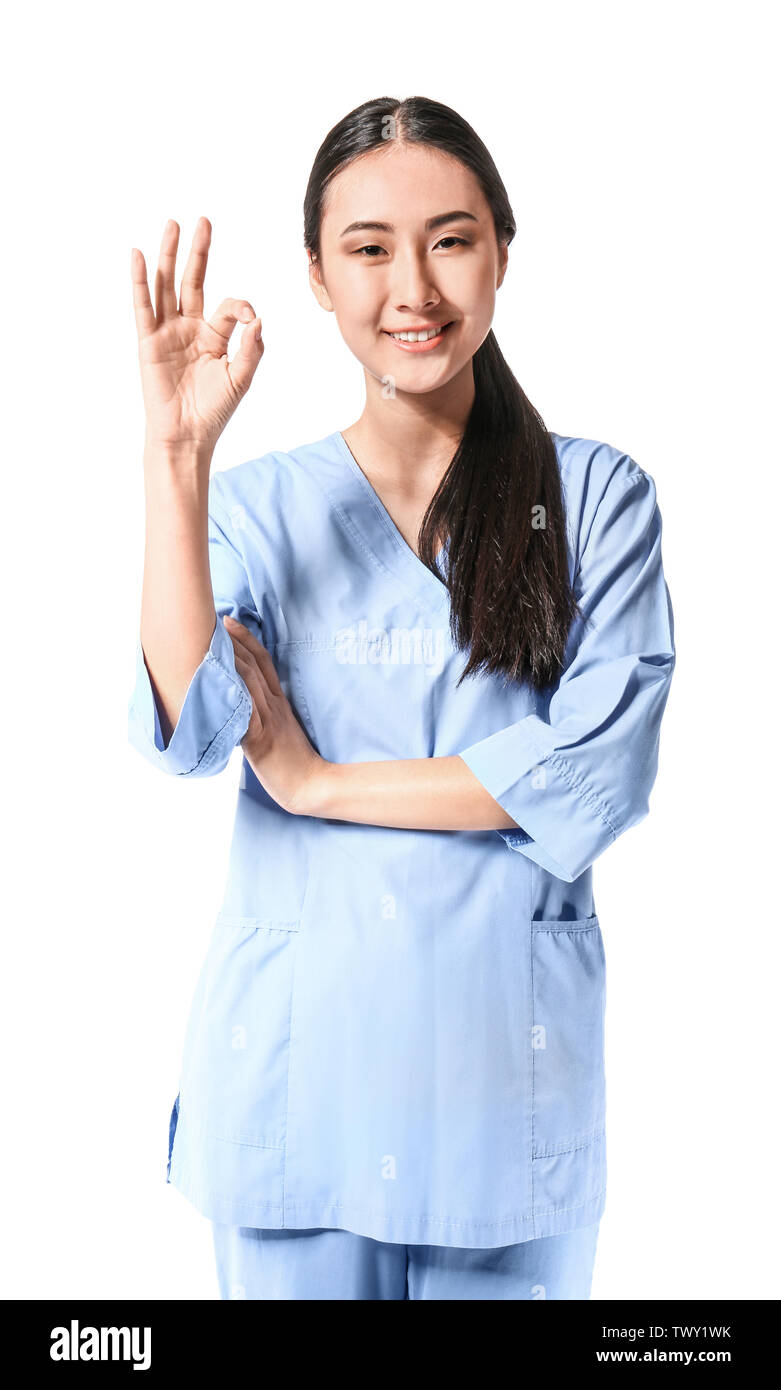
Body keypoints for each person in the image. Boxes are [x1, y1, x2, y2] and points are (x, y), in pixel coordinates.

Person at [127, 95, 675, 1301]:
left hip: (497, 1099)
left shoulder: (591, 501)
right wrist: (178, 463)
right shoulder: (259, 505)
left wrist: (320, 783)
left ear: (501, 253)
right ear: (318, 278)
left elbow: (592, 774)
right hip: (297, 1094)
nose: (412, 285)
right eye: (368, 248)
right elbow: (188, 730)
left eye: (450, 237)